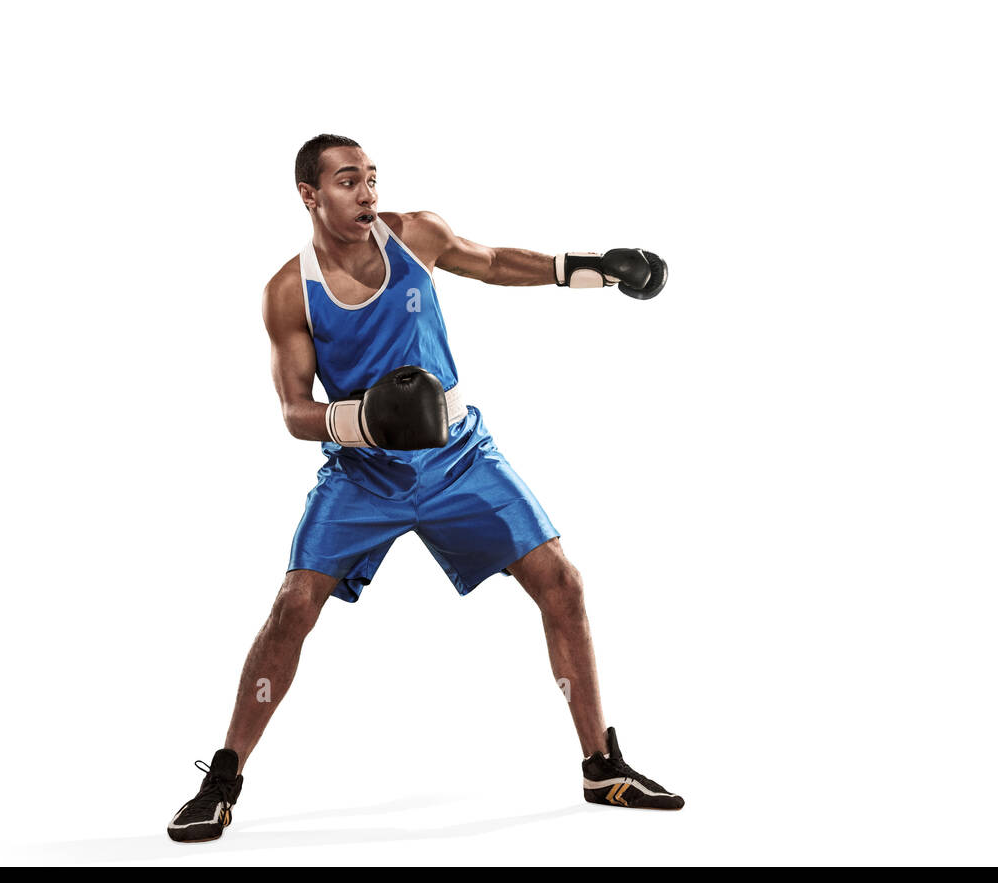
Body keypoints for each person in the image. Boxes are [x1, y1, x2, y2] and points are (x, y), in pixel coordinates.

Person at [167, 134, 683, 843]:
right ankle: (222, 780)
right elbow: (293, 410)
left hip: (460, 457)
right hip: (363, 473)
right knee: (293, 606)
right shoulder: (290, 292)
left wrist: (589, 269)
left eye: (372, 178)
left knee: (560, 580)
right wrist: (365, 421)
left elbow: (495, 262)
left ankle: (603, 766)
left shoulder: (417, 235)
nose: (368, 192)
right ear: (310, 196)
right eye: (348, 181)